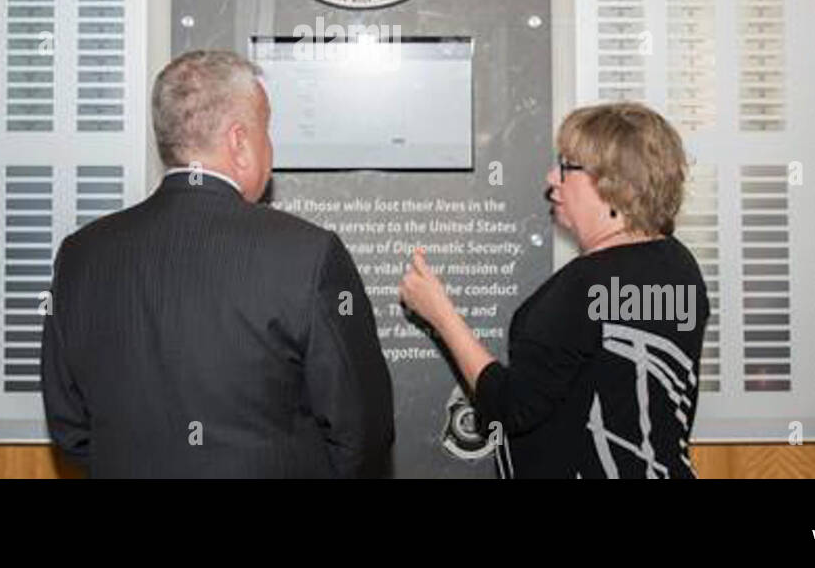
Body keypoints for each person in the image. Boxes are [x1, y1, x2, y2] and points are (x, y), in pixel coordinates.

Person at [42, 49, 394, 477]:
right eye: (266, 131)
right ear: (240, 141)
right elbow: (363, 432)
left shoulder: (81, 256)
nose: (271, 148)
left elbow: (70, 427)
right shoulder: (309, 255)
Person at [399, 102, 709, 478]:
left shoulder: (584, 285)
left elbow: (511, 407)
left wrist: (441, 315)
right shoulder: (680, 267)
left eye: (567, 166)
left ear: (613, 182)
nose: (552, 178)